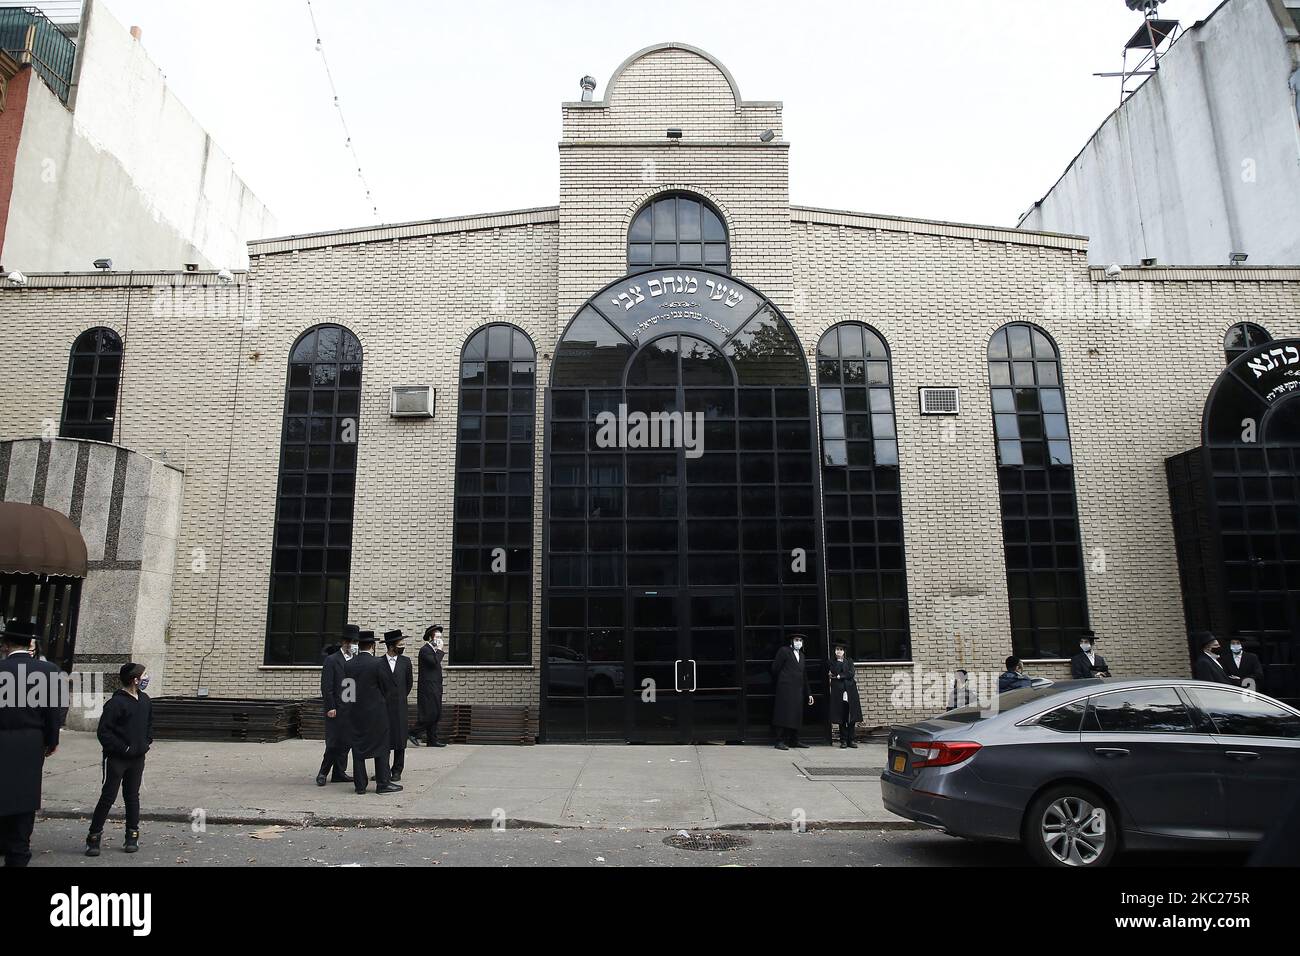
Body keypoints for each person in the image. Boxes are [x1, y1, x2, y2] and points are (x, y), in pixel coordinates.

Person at [0, 619, 67, 867]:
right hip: (31, 742)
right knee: (23, 797)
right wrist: (52, 741)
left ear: (6, 644)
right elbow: (53, 712)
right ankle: (17, 852)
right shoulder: (48, 671)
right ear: (31, 643)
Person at [86, 662, 153, 857]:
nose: (147, 678)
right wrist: (122, 748)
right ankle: (94, 837)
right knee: (108, 797)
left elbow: (149, 724)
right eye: (144, 675)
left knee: (132, 797)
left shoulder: (145, 700)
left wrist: (146, 743)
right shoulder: (115, 703)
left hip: (137, 758)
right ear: (135, 679)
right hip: (117, 759)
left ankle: (132, 835)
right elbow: (104, 732)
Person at [346, 631, 400, 794]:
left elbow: (346, 692)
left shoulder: (348, 664)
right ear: (373, 645)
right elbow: (388, 688)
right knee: (382, 747)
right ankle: (383, 783)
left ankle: (360, 785)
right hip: (377, 713)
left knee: (358, 747)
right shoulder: (378, 663)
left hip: (355, 712)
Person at [316, 624, 358, 787]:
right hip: (336, 708)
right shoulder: (332, 660)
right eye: (350, 641)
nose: (352, 644)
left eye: (355, 641)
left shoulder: (356, 660)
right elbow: (327, 687)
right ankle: (323, 772)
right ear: (343, 642)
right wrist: (330, 707)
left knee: (347, 742)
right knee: (334, 743)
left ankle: (339, 772)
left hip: (351, 708)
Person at [381, 630, 413, 782]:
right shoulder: (379, 662)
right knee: (384, 740)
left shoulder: (406, 662)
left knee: (400, 739)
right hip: (383, 707)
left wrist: (399, 697)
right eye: (400, 644)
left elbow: (409, 684)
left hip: (400, 706)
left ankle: (397, 770)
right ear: (391, 646)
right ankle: (383, 770)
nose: (403, 646)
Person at [771, 634, 813, 750]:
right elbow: (775, 668)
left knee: (796, 715)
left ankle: (794, 740)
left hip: (798, 690)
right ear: (792, 641)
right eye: (796, 640)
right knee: (783, 714)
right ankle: (779, 741)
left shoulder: (802, 655)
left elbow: (804, 675)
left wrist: (808, 693)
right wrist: (784, 680)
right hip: (785, 689)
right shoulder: (784, 651)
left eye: (800, 640)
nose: (798, 642)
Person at [416, 625, 447, 748]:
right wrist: (439, 650)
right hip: (428, 687)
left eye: (440, 636)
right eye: (437, 637)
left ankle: (432, 739)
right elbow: (434, 663)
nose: (440, 639)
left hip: (436, 686)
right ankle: (412, 732)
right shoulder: (425, 650)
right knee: (431, 713)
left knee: (436, 712)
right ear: (430, 638)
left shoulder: (433, 651)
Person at [827, 644, 862, 749]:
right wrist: (839, 668)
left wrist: (840, 676)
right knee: (841, 717)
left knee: (851, 717)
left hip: (850, 692)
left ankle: (851, 740)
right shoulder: (832, 662)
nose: (839, 651)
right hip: (839, 692)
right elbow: (834, 671)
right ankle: (843, 741)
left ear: (844, 651)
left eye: (841, 650)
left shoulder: (849, 661)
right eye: (837, 649)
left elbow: (851, 673)